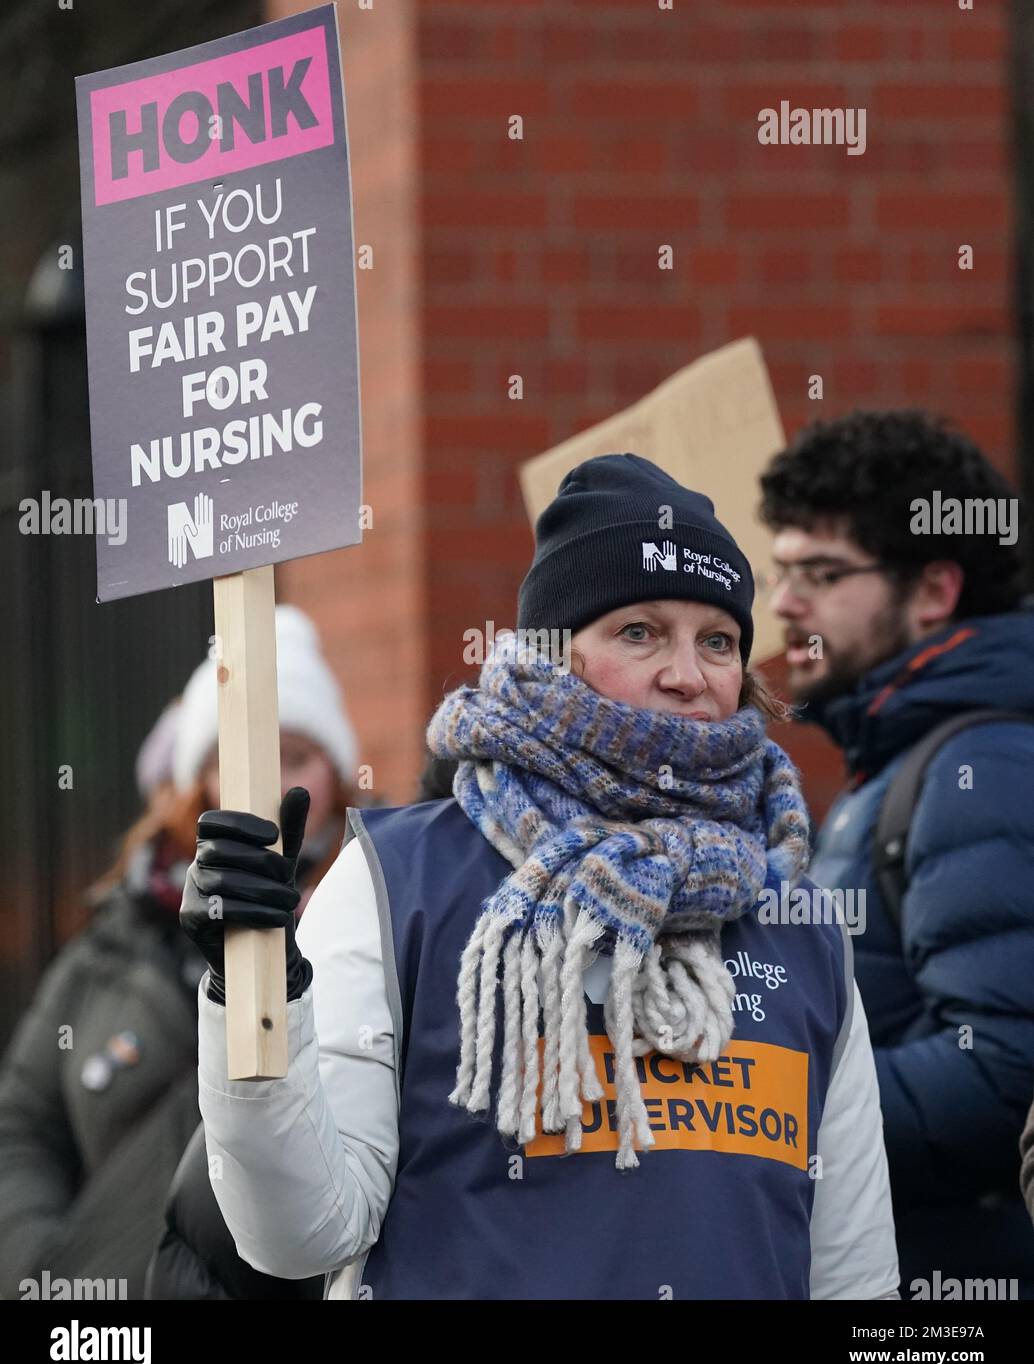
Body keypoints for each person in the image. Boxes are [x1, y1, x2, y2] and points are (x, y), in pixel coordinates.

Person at [186, 453, 899, 1301]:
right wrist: (253, 992)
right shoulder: (397, 881)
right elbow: (301, 1236)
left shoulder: (801, 919)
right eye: (639, 631)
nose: (688, 674)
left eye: (718, 640)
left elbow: (855, 1284)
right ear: (554, 654)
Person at [0, 605, 359, 1300]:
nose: (267, 779)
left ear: (338, 778)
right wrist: (39, 1267)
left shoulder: (371, 924)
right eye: (239, 754)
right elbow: (24, 1123)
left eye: (296, 756)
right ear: (198, 781)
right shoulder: (115, 943)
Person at [759, 409, 1034, 1297]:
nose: (784, 605)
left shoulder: (978, 765)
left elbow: (1005, 1071)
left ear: (935, 590)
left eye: (822, 574)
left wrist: (761, 1094)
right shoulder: (902, 763)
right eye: (781, 571)